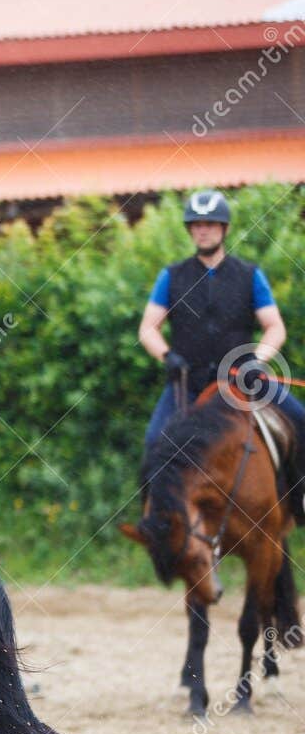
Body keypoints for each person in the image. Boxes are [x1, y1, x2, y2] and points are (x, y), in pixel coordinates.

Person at [138, 189, 304, 517]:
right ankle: (156, 519)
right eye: (196, 225)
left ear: (224, 229)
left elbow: (275, 327)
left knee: (301, 419)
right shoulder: (171, 276)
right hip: (189, 382)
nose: (203, 230)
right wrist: (167, 356)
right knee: (155, 439)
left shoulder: (249, 274)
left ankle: (300, 499)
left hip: (242, 381)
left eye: (211, 224)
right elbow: (148, 328)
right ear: (190, 230)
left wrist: (257, 360)